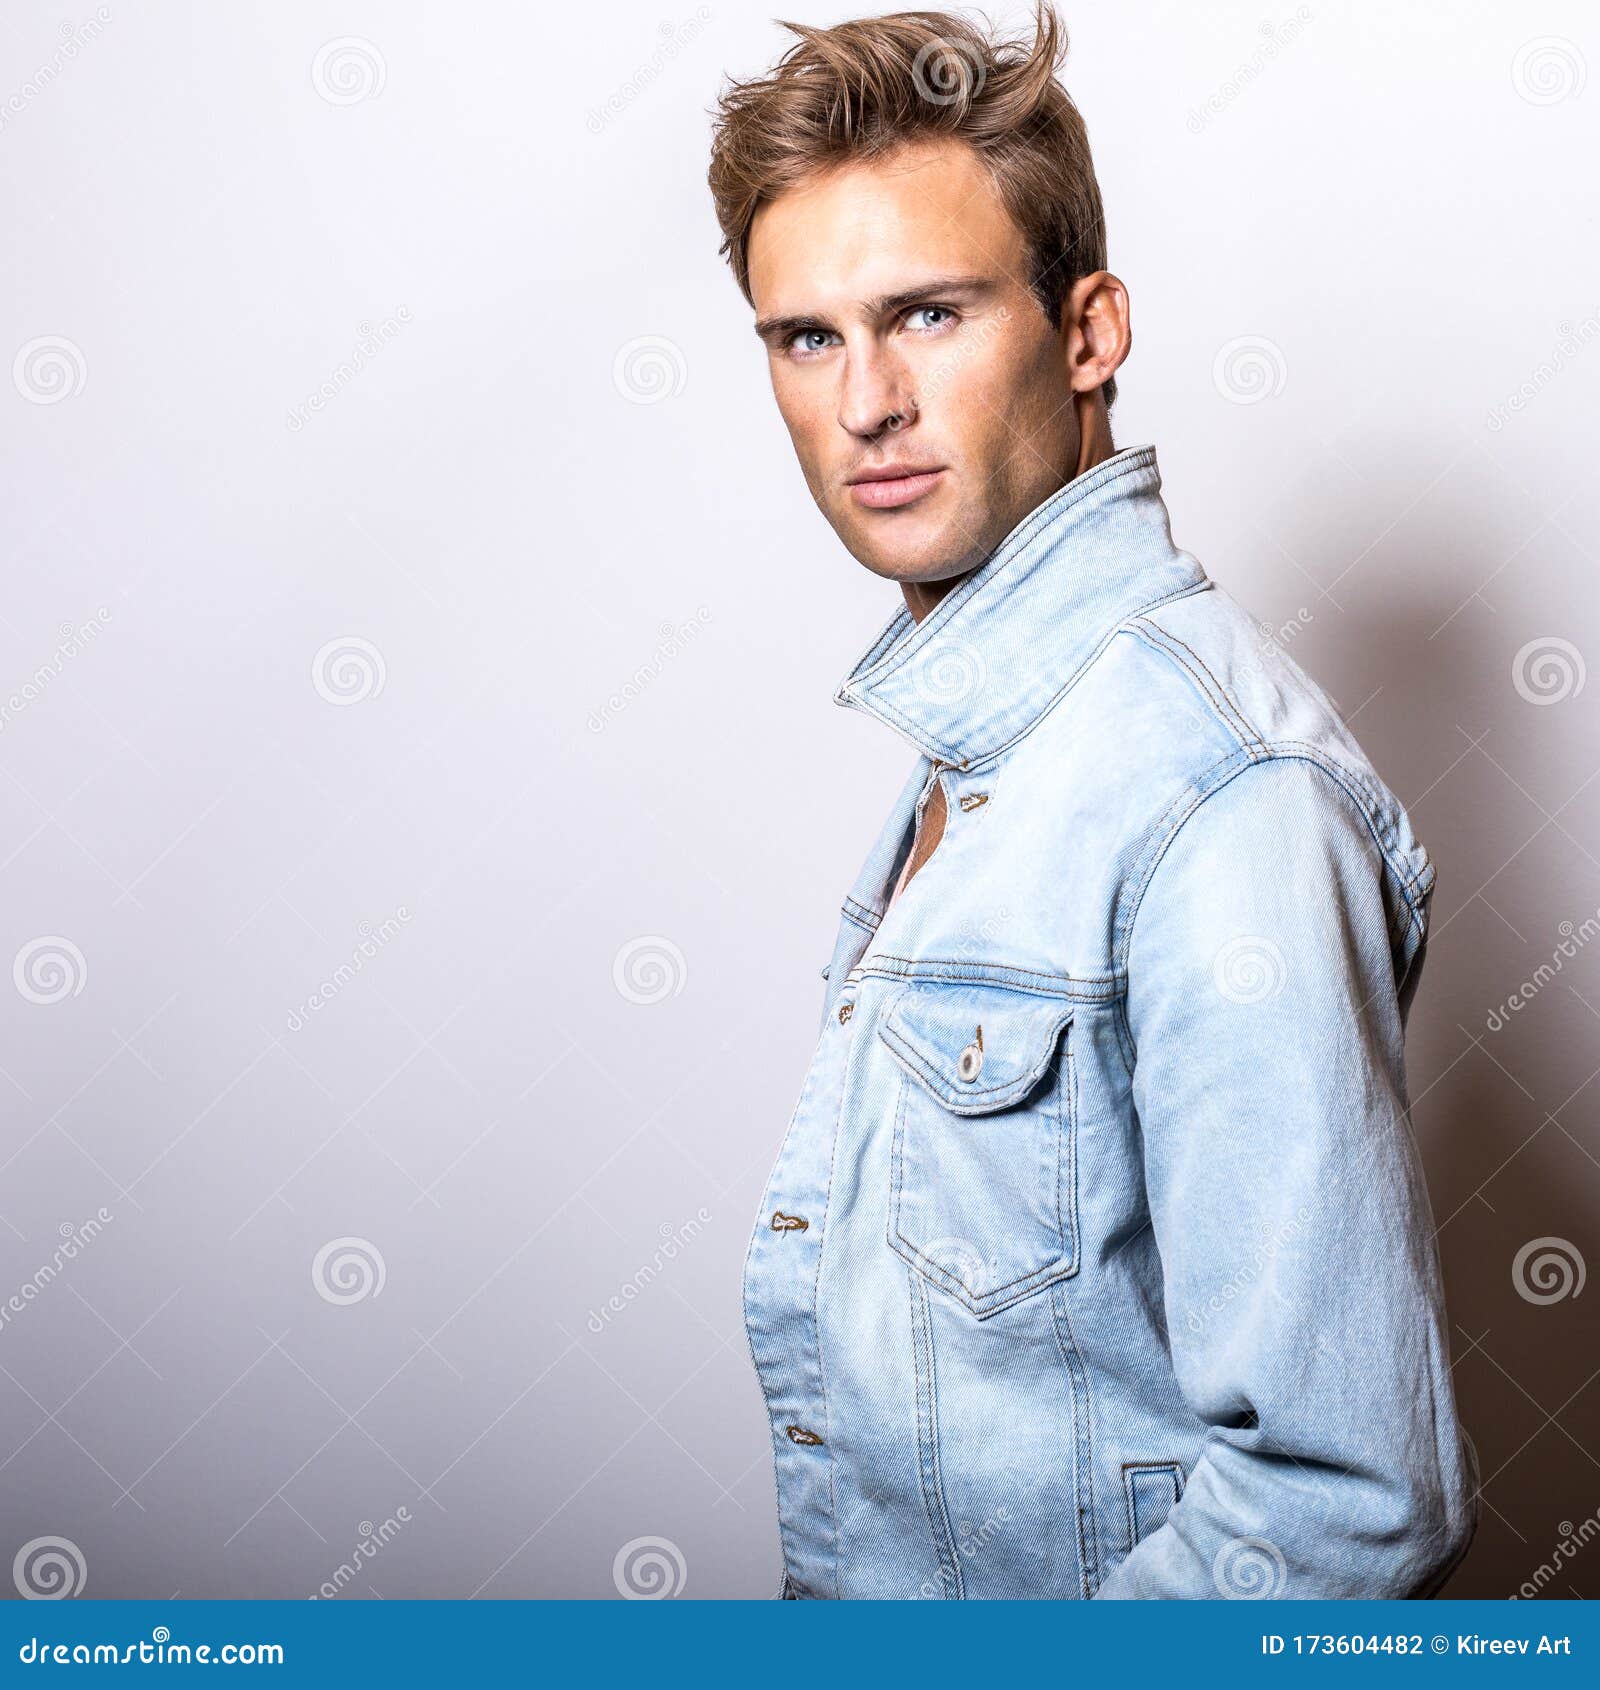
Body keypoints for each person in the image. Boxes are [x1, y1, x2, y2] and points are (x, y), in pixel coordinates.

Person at [708, 3, 1479, 1599]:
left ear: (1088, 332)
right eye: (808, 338)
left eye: (927, 314)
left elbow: (1343, 1505)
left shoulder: (1220, 798)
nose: (865, 403)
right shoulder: (999, 751)